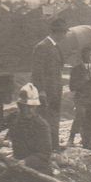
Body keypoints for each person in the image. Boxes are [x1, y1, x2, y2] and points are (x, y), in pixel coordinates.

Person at [31, 18, 67, 150]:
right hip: (46, 91)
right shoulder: (42, 46)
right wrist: (40, 91)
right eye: (64, 33)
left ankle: (54, 144)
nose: (65, 36)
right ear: (58, 32)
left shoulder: (55, 47)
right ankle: (45, 146)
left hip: (55, 90)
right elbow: (37, 71)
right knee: (45, 118)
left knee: (54, 117)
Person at [68, 47, 91, 148]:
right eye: (89, 55)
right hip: (81, 98)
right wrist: (83, 81)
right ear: (83, 56)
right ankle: (71, 138)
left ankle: (87, 140)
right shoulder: (76, 69)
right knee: (80, 116)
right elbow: (72, 86)